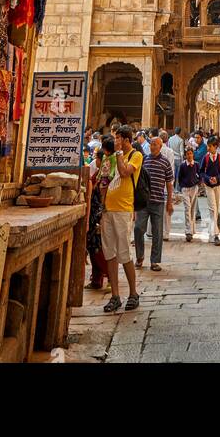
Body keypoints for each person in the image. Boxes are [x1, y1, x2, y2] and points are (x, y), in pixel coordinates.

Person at [101, 126, 143, 312]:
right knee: (109, 253)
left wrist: (118, 154)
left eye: (118, 138)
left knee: (124, 252)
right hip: (109, 209)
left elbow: (125, 172)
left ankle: (133, 293)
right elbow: (104, 178)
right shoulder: (110, 157)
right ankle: (115, 295)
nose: (115, 140)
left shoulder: (136, 155)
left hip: (124, 209)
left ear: (126, 140)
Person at [133, 135, 173, 271]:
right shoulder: (144, 160)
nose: (152, 146)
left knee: (157, 232)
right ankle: (139, 256)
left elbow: (169, 183)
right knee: (138, 228)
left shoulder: (165, 163)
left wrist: (170, 202)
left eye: (155, 144)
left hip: (158, 201)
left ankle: (154, 261)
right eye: (151, 144)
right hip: (144, 202)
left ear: (160, 147)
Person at [86, 137, 114, 289]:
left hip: (98, 215)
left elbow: (103, 194)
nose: (95, 160)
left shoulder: (104, 176)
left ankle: (109, 276)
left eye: (97, 157)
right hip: (94, 215)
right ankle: (96, 279)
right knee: (93, 247)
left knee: (97, 249)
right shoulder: (97, 174)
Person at [199, 135, 220, 245]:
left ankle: (212, 232)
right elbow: (201, 171)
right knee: (213, 208)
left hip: (218, 185)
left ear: (215, 146)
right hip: (208, 185)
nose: (208, 148)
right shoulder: (205, 158)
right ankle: (215, 234)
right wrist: (208, 178)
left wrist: (217, 178)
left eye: (210, 146)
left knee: (217, 208)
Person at [178, 146, 201, 242]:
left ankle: (192, 229)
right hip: (185, 189)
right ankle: (188, 231)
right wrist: (182, 186)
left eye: (191, 153)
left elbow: (200, 175)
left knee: (192, 209)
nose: (189, 155)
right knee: (187, 208)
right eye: (188, 154)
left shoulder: (196, 165)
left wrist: (198, 183)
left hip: (194, 188)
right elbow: (179, 177)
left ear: (193, 154)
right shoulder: (183, 165)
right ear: (185, 155)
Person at [168, 127, 185, 191]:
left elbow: (169, 148)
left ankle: (171, 188)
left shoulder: (170, 139)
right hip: (178, 159)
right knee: (178, 174)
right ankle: (177, 188)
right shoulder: (180, 140)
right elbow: (181, 152)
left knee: (172, 174)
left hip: (172, 157)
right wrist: (182, 160)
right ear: (180, 132)